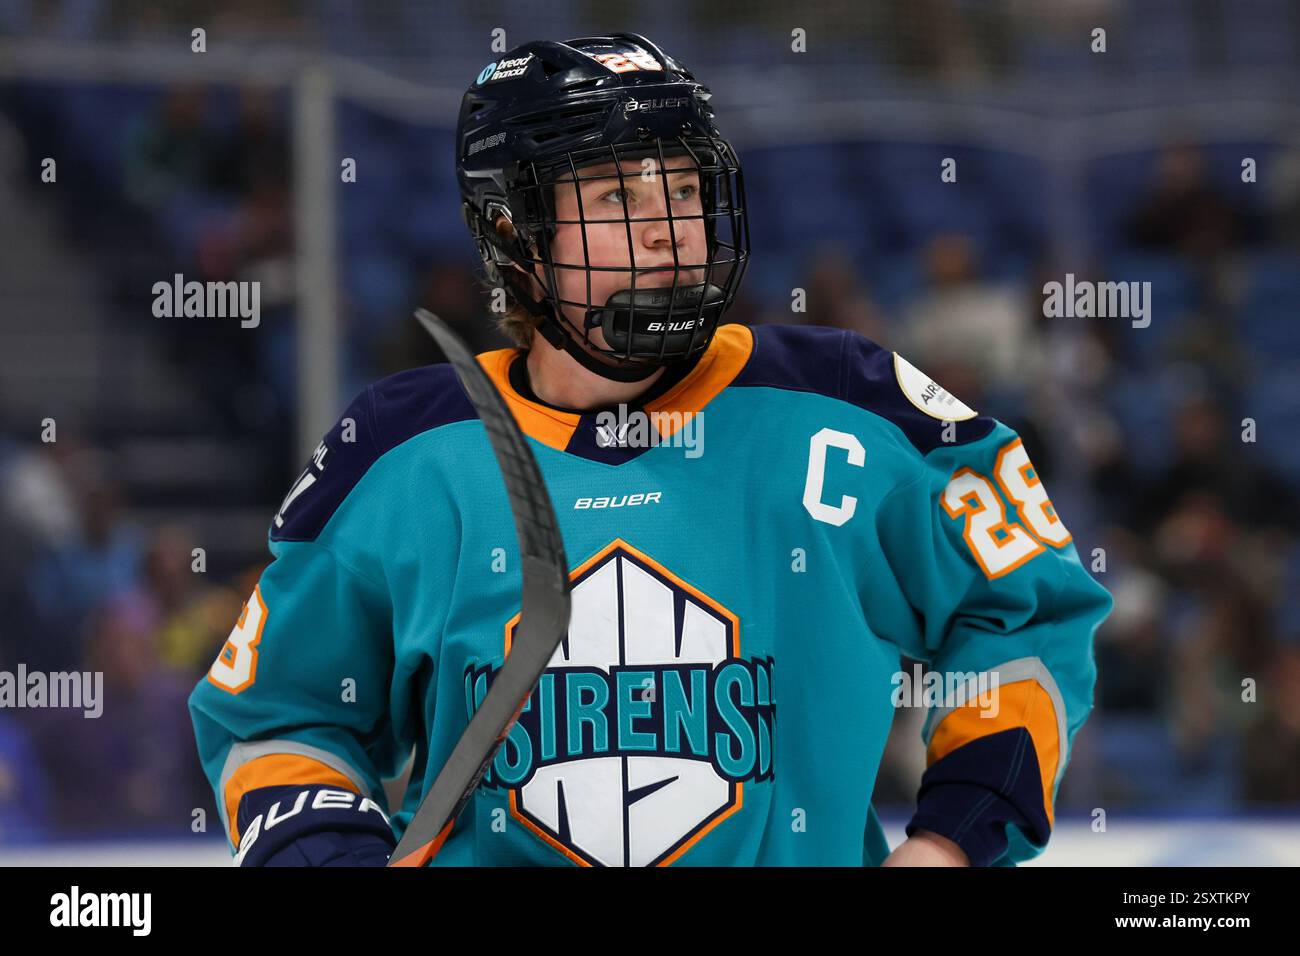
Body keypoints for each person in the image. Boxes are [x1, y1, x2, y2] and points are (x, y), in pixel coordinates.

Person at [189, 33, 1111, 867]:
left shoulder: (849, 409)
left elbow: (1027, 611)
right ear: (517, 235)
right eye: (615, 195)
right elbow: (280, 717)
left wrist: (953, 842)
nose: (670, 229)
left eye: (682, 186)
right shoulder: (403, 454)